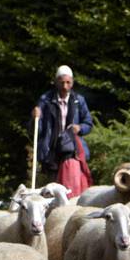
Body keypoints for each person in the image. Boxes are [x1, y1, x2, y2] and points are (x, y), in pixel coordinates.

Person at [33, 64, 93, 197]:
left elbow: (88, 123)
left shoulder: (79, 101)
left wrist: (80, 128)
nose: (65, 86)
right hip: (52, 151)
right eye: (62, 83)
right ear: (56, 83)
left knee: (72, 189)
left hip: (72, 151)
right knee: (52, 190)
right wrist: (35, 118)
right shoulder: (45, 100)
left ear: (72, 83)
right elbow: (37, 129)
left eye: (68, 83)